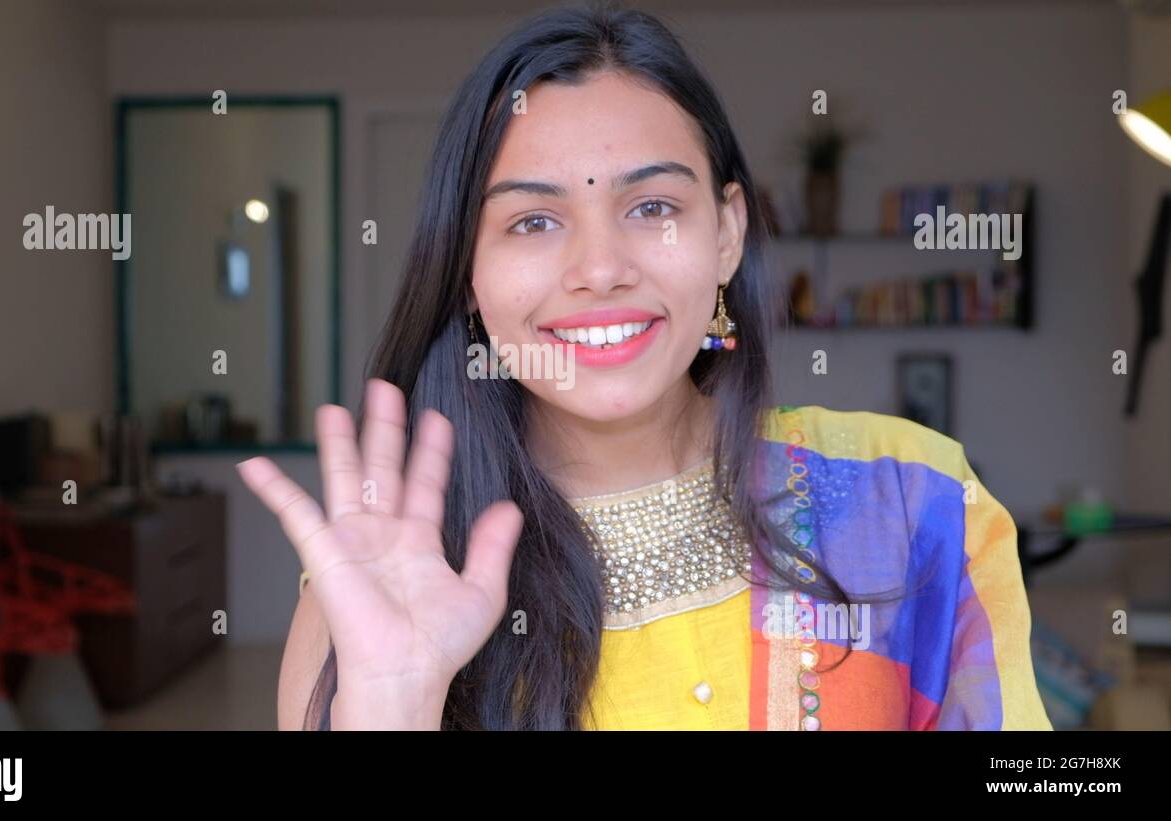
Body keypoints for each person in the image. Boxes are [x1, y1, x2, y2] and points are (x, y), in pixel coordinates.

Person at [237, 2, 1051, 731]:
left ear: (728, 232)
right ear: (466, 273)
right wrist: (394, 706)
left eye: (652, 207)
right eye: (532, 220)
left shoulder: (914, 499)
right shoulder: (381, 590)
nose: (600, 268)